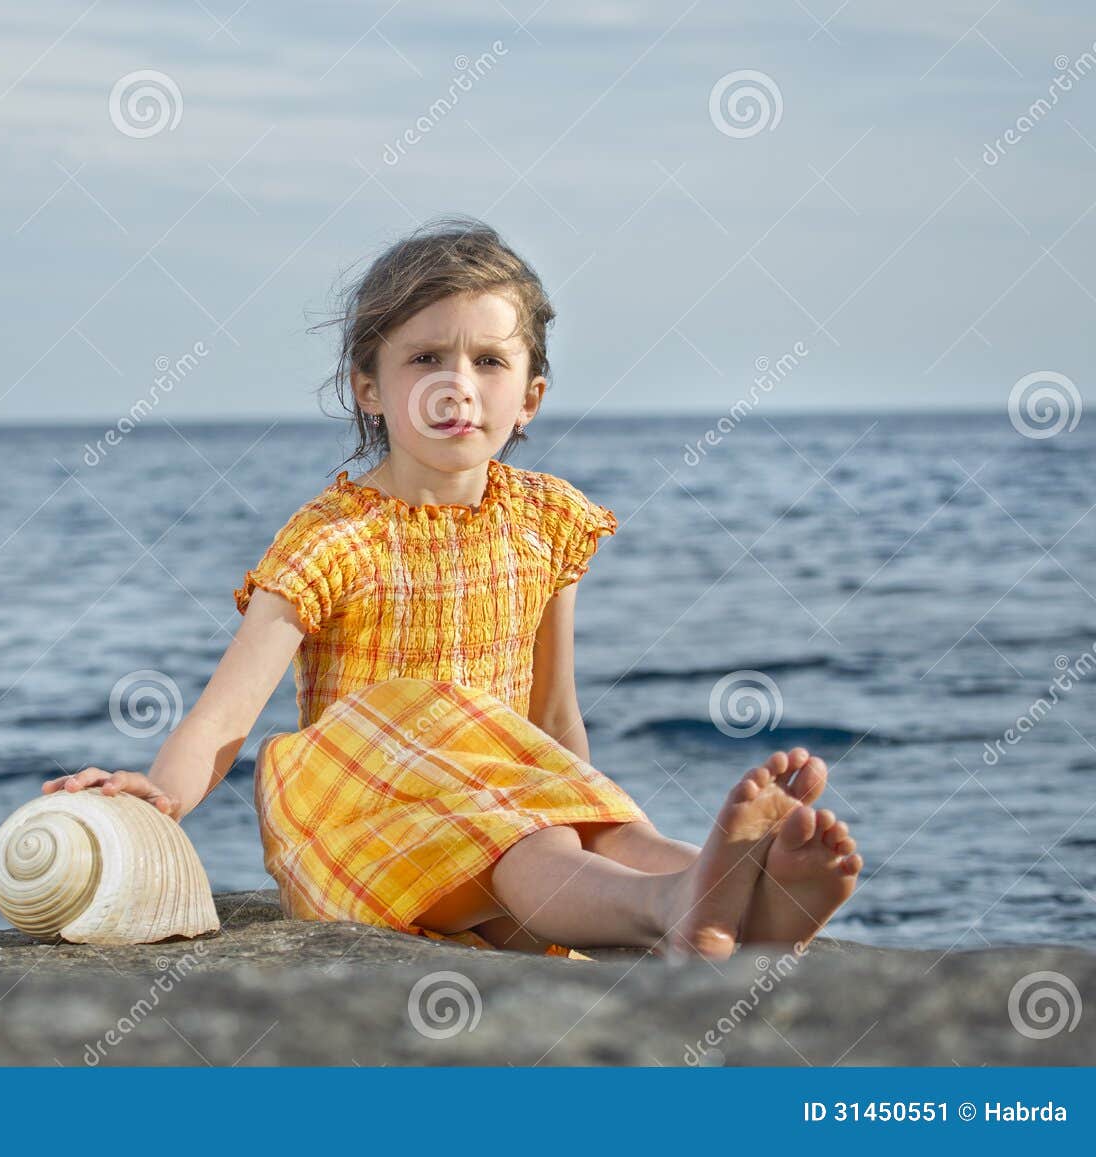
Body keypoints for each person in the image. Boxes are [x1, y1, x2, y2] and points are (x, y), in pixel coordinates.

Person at [45, 215, 862, 961]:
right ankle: (690, 898)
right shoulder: (335, 538)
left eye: (489, 360)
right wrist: (161, 796)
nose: (458, 383)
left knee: (570, 850)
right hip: (363, 816)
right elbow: (225, 715)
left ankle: (724, 897)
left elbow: (550, 720)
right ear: (372, 388)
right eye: (426, 358)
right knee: (523, 845)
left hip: (500, 821)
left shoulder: (545, 521)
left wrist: (589, 814)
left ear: (529, 397)